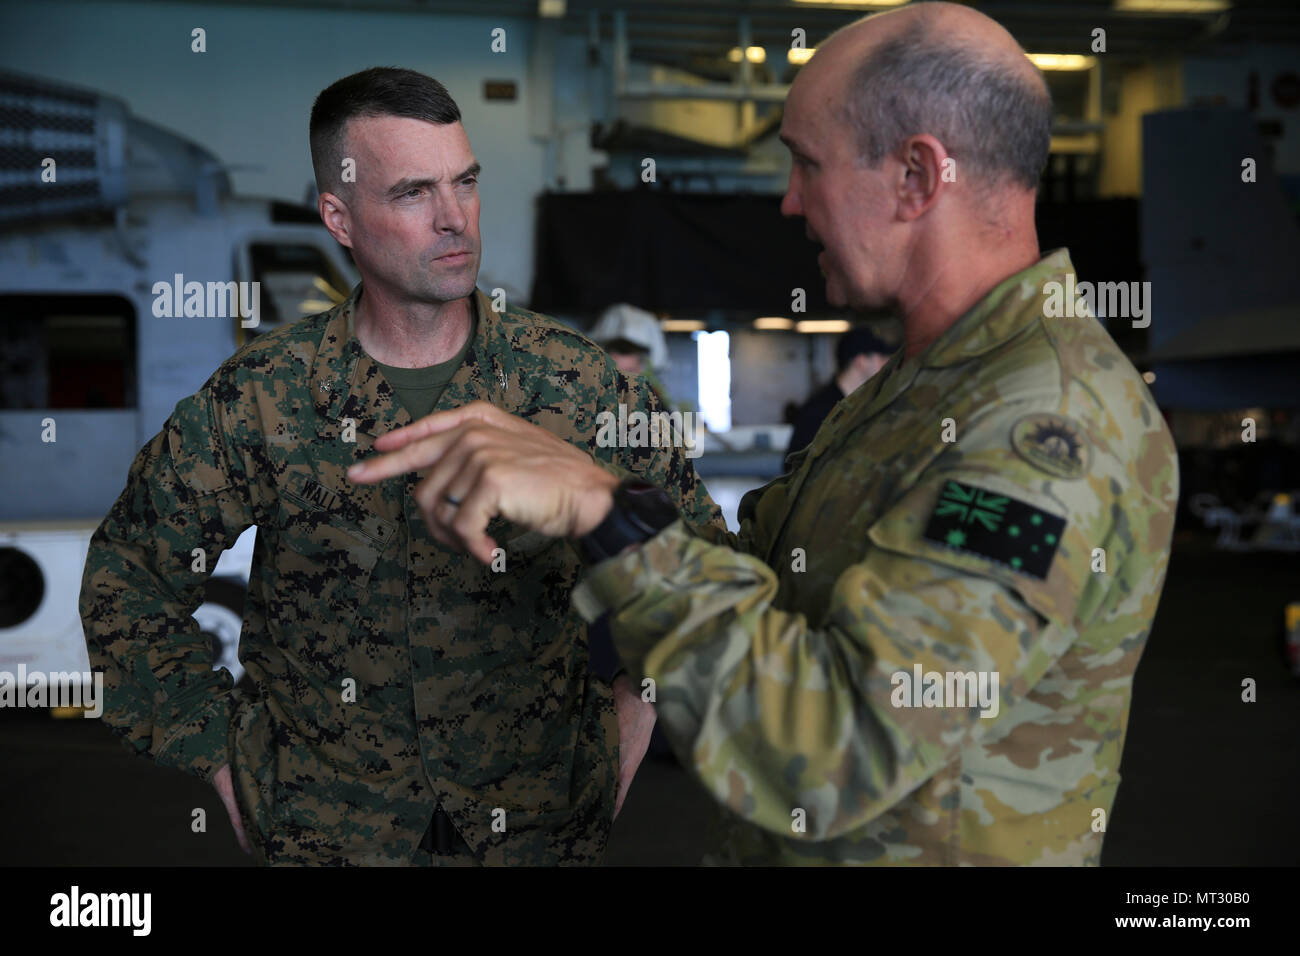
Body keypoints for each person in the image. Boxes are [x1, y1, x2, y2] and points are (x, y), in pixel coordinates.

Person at [350, 2, 1180, 866]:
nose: (789, 202)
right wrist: (572, 489)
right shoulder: (924, 383)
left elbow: (833, 748)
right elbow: (776, 589)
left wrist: (607, 514)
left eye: (804, 163)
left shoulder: (1043, 424)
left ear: (917, 177)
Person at [79, 67, 722, 866]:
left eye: (466, 183)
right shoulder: (265, 395)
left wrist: (635, 712)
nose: (455, 220)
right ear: (339, 218)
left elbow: (698, 555)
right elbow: (128, 578)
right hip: (331, 834)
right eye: (415, 193)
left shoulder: (576, 382)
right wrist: (221, 755)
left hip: (537, 829)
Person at [786, 325, 892, 460]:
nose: (887, 363)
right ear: (861, 362)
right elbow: (793, 467)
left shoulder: (868, 404)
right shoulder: (817, 412)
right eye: (881, 357)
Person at [589, 303, 680, 413]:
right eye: (613, 373)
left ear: (643, 370)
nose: (620, 382)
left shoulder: (659, 409)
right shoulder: (585, 407)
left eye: (629, 372)